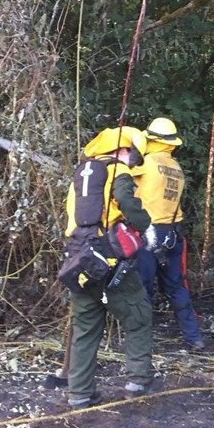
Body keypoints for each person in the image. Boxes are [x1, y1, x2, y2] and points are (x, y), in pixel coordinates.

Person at [59, 126, 156, 407]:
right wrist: (145, 226)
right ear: (124, 150)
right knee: (138, 316)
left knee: (86, 327)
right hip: (110, 258)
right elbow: (126, 200)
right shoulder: (118, 172)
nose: (133, 163)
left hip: (77, 259)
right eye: (134, 156)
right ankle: (138, 382)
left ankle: (79, 393)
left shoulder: (79, 178)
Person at [131, 117, 206, 350]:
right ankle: (194, 338)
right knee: (177, 287)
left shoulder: (146, 164)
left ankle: (140, 344)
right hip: (173, 235)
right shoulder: (176, 168)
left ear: (151, 139)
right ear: (171, 143)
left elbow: (121, 184)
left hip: (147, 235)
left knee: (142, 290)